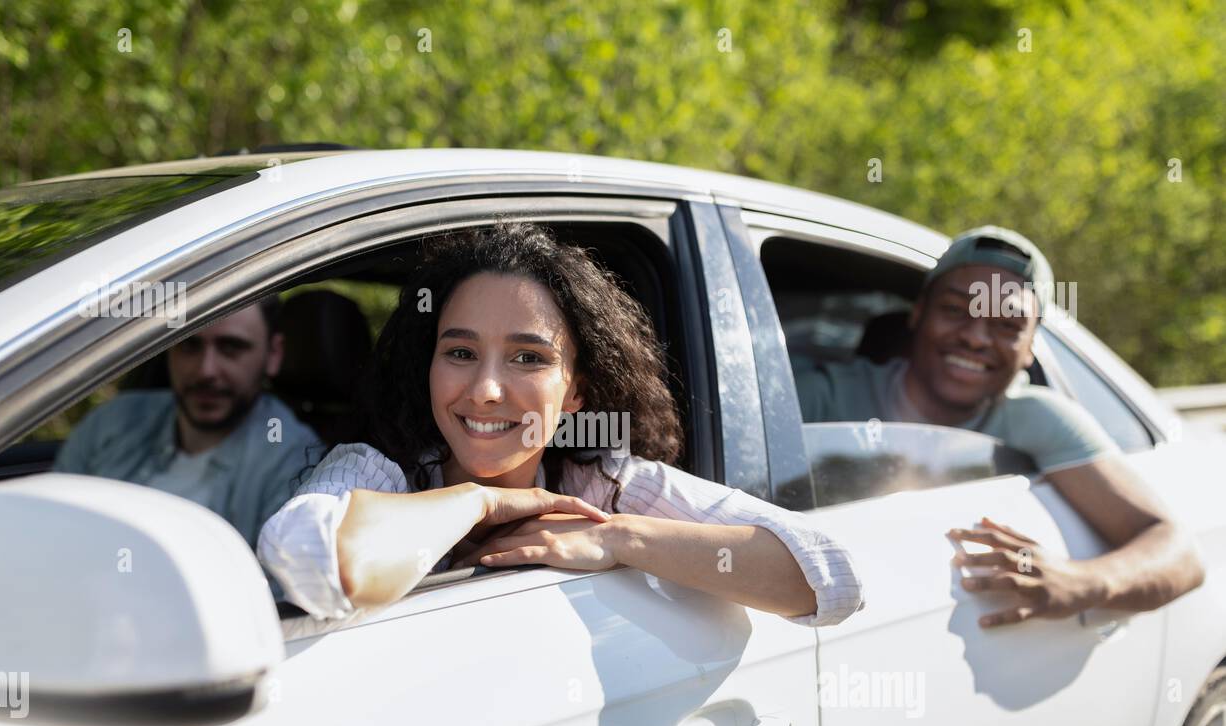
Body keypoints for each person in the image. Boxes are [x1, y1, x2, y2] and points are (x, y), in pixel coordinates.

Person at [257, 222, 864, 626]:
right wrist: (476, 501)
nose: (486, 390)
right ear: (429, 365)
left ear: (575, 391)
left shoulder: (603, 485)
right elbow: (318, 562)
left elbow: (828, 578)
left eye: (529, 358)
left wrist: (617, 539)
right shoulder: (375, 472)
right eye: (460, 353)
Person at [793, 225, 1203, 627]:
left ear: (1030, 349)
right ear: (917, 314)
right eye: (955, 310)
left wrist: (1084, 582)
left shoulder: (1034, 418)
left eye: (1007, 325)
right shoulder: (820, 397)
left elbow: (1180, 554)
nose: (975, 337)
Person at [54, 296, 319, 551]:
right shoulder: (114, 420)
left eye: (231, 348)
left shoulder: (296, 464)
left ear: (273, 354)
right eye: (189, 345)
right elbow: (50, 526)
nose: (206, 370)